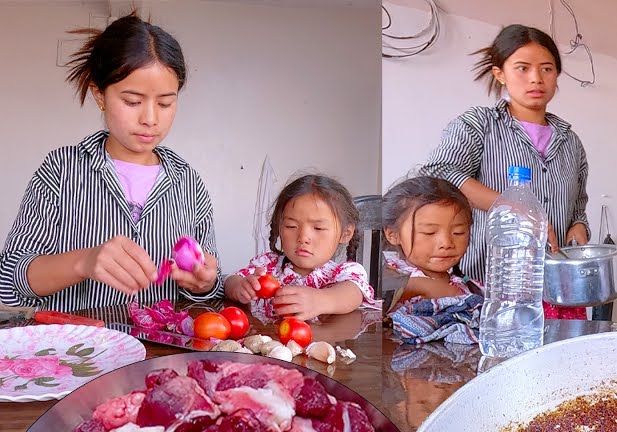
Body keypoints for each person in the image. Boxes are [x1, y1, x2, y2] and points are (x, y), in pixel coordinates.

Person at [0, 12, 220, 311]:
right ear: (99, 94)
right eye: (132, 101)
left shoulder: (188, 183)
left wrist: (205, 282)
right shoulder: (61, 170)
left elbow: (210, 289)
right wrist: (84, 262)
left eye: (166, 102)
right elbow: (9, 282)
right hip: (79, 353)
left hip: (157, 355)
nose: (150, 119)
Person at [418, 24, 589, 319]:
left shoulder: (570, 141)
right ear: (500, 74)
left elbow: (578, 206)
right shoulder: (479, 125)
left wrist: (579, 227)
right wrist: (514, 208)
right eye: (522, 68)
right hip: (489, 289)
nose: (536, 78)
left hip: (556, 291)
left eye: (547, 69)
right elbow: (440, 172)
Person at [224, 174, 377, 320]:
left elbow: (354, 293)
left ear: (345, 234)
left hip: (322, 345)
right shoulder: (266, 266)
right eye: (291, 226)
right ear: (279, 227)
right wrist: (239, 288)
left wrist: (320, 300)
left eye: (318, 228)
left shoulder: (343, 274)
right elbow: (230, 280)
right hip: (269, 343)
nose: (303, 238)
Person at [380, 176, 473, 309]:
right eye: (429, 232)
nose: (446, 243)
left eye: (458, 232)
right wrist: (422, 286)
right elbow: (367, 292)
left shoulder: (469, 286)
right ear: (393, 234)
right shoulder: (387, 273)